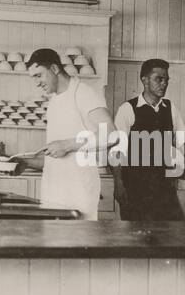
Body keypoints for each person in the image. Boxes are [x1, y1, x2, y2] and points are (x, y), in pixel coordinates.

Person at [19, 48, 119, 220]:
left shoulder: (84, 93)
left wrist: (66, 145)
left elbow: (111, 134)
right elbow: (56, 154)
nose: (36, 83)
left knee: (76, 244)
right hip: (54, 192)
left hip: (77, 194)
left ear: (54, 69)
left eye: (39, 75)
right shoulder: (54, 101)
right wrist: (24, 162)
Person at [111, 58, 185, 220]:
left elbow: (183, 142)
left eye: (166, 80)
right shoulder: (127, 109)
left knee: (170, 234)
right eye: (159, 79)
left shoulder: (170, 108)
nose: (164, 84)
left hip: (163, 187)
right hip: (134, 188)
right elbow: (117, 151)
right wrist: (118, 183)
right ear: (144, 80)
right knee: (136, 238)